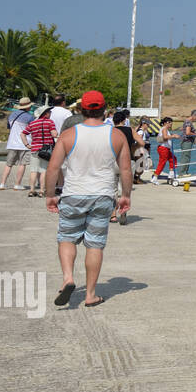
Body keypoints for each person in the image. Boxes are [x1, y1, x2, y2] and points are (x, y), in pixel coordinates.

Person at [45, 89, 130, 308]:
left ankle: (68, 279)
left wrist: (50, 195)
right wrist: (125, 195)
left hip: (74, 193)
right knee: (95, 245)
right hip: (102, 195)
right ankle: (90, 294)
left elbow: (53, 168)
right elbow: (126, 170)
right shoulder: (116, 135)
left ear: (82, 109)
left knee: (67, 237)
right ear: (104, 109)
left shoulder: (68, 135)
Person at [0, 97, 35, 190]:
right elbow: (32, 130)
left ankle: (2, 184)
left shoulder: (11, 115)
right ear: (27, 107)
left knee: (8, 164)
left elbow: (9, 127)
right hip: (25, 144)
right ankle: (17, 184)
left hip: (12, 143)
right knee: (22, 164)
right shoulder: (30, 117)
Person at [22, 105, 58, 197]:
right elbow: (54, 134)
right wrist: (56, 133)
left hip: (34, 149)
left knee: (34, 170)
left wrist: (26, 144)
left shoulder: (33, 123)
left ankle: (31, 190)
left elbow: (23, 133)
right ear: (45, 114)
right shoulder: (50, 122)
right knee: (44, 170)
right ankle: (42, 191)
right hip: (46, 150)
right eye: (49, 112)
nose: (50, 114)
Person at [155, 117, 178, 182]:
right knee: (162, 163)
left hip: (166, 149)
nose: (171, 124)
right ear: (166, 123)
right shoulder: (164, 129)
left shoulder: (165, 129)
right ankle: (155, 177)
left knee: (173, 159)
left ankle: (171, 174)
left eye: (171, 123)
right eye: (170, 123)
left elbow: (166, 137)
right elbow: (165, 137)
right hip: (163, 148)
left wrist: (173, 135)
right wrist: (173, 136)